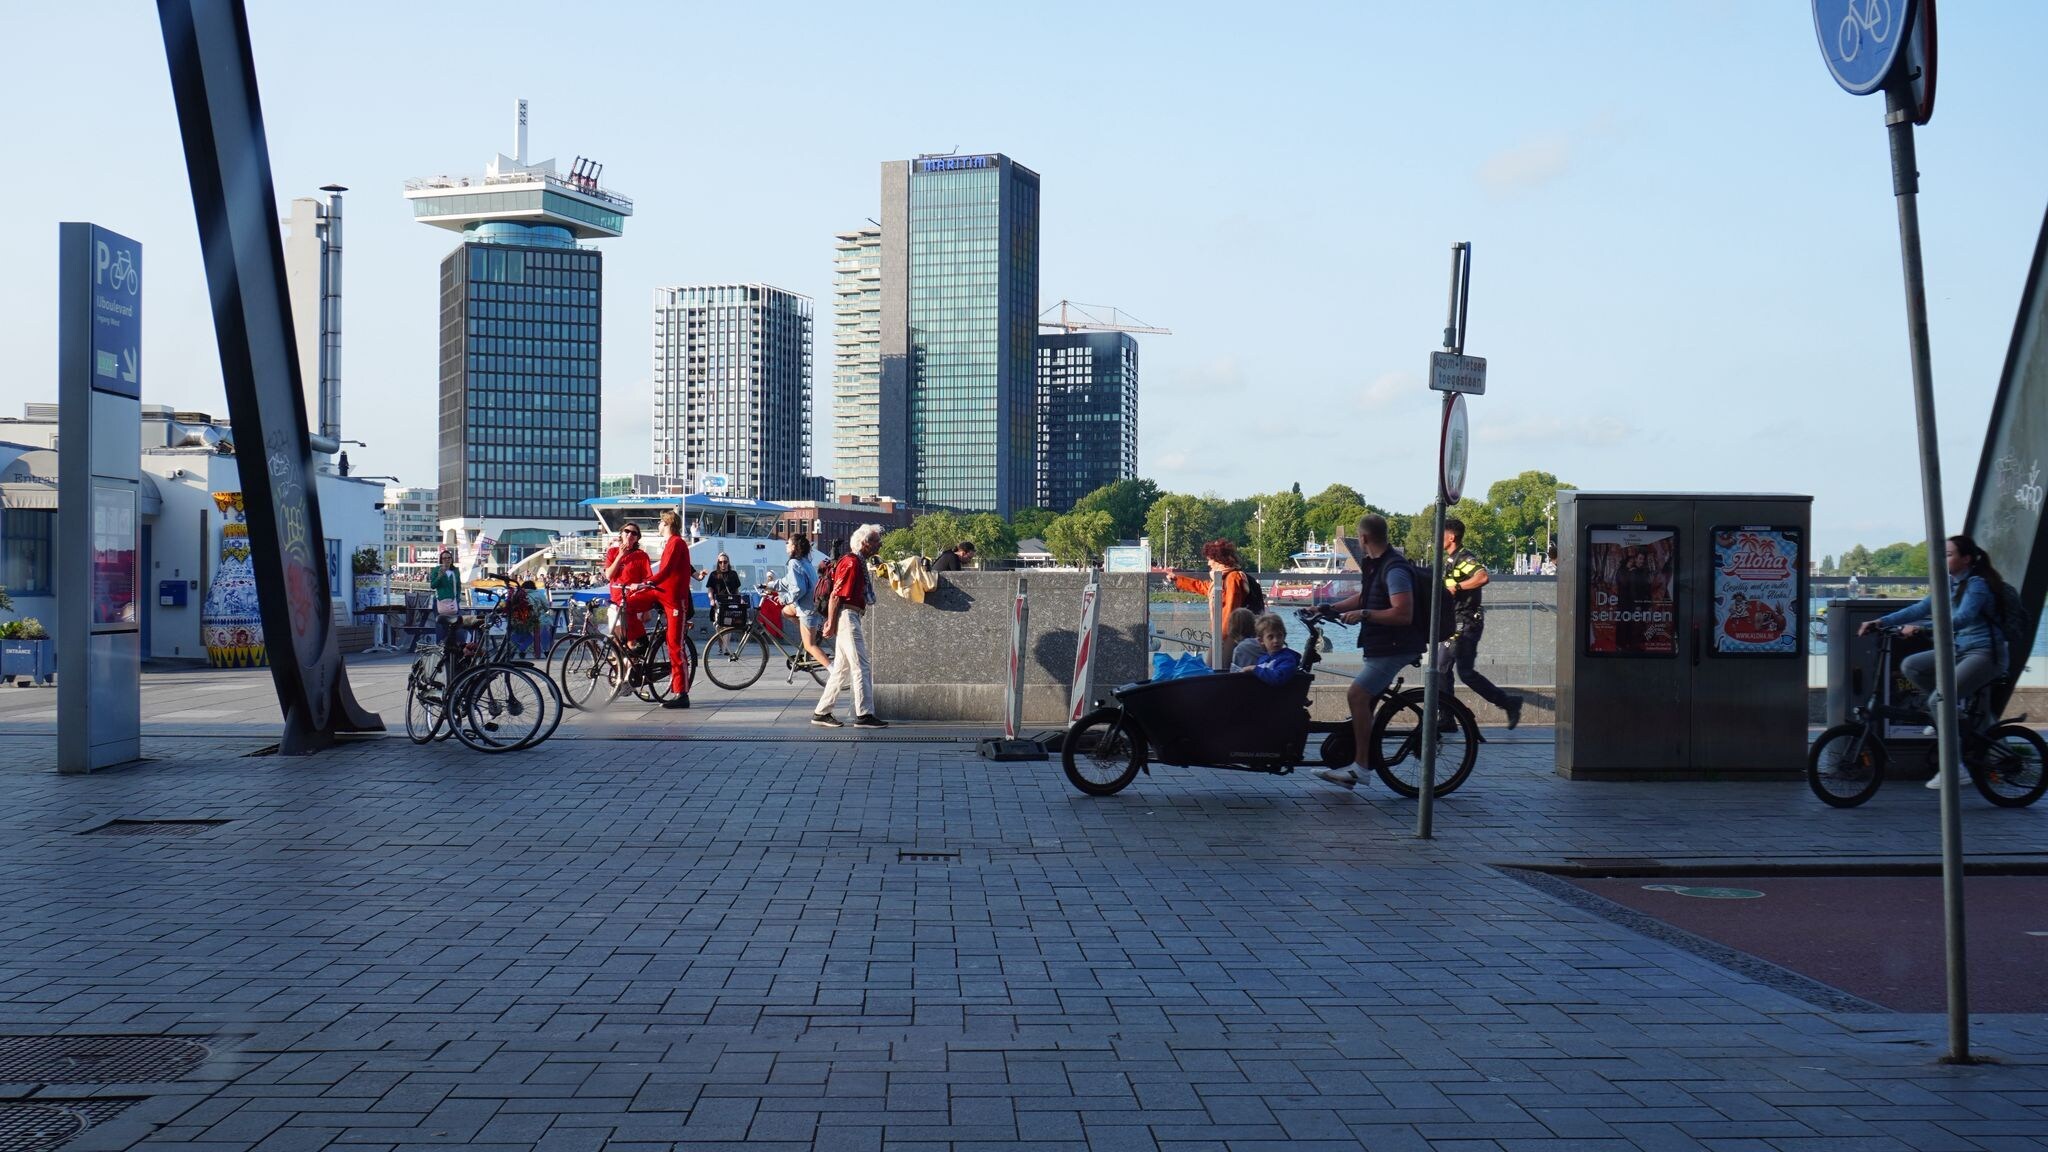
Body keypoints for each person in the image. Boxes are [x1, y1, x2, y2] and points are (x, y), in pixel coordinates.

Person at [1859, 534, 2011, 790]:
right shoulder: (1948, 585)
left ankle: (1954, 770)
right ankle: (1948, 715)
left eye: (1949, 554)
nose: (1944, 559)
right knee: (1912, 665)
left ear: (1966, 559)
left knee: (1936, 701)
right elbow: (1918, 609)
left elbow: (1962, 619)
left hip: (1985, 654)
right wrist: (1881, 622)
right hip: (1962, 650)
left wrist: (1922, 629)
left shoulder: (1977, 585)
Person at [1311, 513, 1422, 789]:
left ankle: (1361, 768)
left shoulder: (1394, 569)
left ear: (1363, 538)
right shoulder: (1375, 564)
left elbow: (1403, 613)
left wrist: (1365, 615)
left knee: (1357, 695)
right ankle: (1352, 760)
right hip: (1381, 645)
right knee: (1364, 699)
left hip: (1394, 647)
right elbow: (1365, 596)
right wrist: (1329, 608)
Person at [1440, 517, 1523, 729]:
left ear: (1451, 537)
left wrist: (1457, 588)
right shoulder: (1450, 560)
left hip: (1466, 623)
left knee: (1457, 671)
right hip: (1456, 622)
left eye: (1440, 533)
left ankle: (1508, 703)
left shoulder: (1465, 558)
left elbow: (1483, 577)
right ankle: (1447, 718)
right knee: (1445, 669)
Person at [814, 523, 886, 729]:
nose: (879, 543)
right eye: (875, 540)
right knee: (861, 666)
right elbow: (837, 594)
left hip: (849, 614)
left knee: (841, 669)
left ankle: (821, 712)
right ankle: (864, 714)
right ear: (864, 543)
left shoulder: (857, 562)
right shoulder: (852, 562)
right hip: (847, 616)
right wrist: (830, 622)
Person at [620, 510, 693, 709]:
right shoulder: (671, 543)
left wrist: (645, 583)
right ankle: (641, 641)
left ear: (667, 523)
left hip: (675, 601)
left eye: (660, 522)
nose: (658, 525)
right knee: (627, 604)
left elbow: (667, 569)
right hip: (660, 592)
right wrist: (647, 585)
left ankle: (681, 693)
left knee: (675, 647)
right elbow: (672, 569)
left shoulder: (677, 542)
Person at [1169, 540, 1252, 671]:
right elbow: (1204, 587)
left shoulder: (1232, 578)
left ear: (1219, 559)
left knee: (1217, 669)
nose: (1208, 563)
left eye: (1210, 559)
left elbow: (1231, 608)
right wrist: (1178, 580)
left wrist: (1222, 636)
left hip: (1228, 634)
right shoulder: (1222, 577)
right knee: (1213, 668)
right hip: (1223, 633)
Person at [779, 532, 831, 671]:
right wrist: (770, 586)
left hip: (807, 608)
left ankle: (835, 672)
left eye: (788, 543)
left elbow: (798, 589)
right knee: (785, 612)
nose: (786, 545)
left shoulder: (793, 562)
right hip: (810, 603)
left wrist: (784, 598)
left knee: (810, 645)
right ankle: (808, 630)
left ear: (794, 547)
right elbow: (787, 581)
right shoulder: (804, 561)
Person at [603, 524, 653, 658]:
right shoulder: (612, 552)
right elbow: (609, 575)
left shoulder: (641, 556)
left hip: (632, 603)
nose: (630, 535)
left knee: (632, 642)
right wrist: (620, 555)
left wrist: (646, 609)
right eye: (627, 531)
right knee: (616, 641)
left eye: (634, 533)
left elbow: (647, 581)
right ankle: (620, 673)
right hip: (615, 603)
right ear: (621, 533)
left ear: (637, 538)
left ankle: (631, 673)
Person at [1243, 613, 1301, 686]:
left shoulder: (1287, 659)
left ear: (1284, 636)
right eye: (1270, 637)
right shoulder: (1263, 659)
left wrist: (1255, 668)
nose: (1276, 640)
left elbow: (1279, 678)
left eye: (1279, 636)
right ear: (1261, 640)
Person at [430, 548, 462, 644]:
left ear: (452, 559)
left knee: (457, 624)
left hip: (453, 602)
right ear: (441, 560)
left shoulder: (455, 571)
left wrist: (458, 598)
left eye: (449, 558)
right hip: (440, 601)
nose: (447, 560)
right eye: (444, 558)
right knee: (440, 625)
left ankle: (455, 646)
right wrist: (440, 576)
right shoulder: (436, 570)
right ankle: (440, 647)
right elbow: (433, 585)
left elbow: (459, 586)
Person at [704, 553, 744, 623]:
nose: (723, 564)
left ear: (728, 563)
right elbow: (710, 589)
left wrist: (740, 599)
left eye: (725, 562)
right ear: (718, 563)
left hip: (731, 603)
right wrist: (711, 599)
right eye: (720, 562)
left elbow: (736, 589)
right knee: (719, 624)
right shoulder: (714, 574)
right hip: (718, 603)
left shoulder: (733, 574)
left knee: (728, 624)